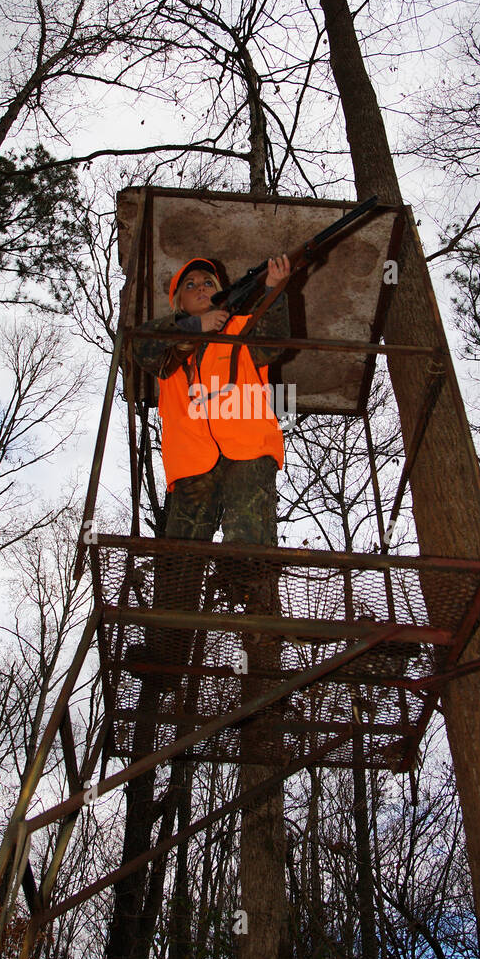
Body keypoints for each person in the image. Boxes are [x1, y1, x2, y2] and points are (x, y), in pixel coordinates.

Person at [128, 253, 291, 688]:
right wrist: (194, 330)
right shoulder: (167, 342)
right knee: (180, 562)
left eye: (208, 281)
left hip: (247, 451)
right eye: (191, 283)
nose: (202, 286)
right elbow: (140, 349)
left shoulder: (242, 327)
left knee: (251, 549)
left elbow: (275, 344)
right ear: (178, 302)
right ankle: (166, 659)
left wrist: (275, 289)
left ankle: (261, 664)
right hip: (193, 464)